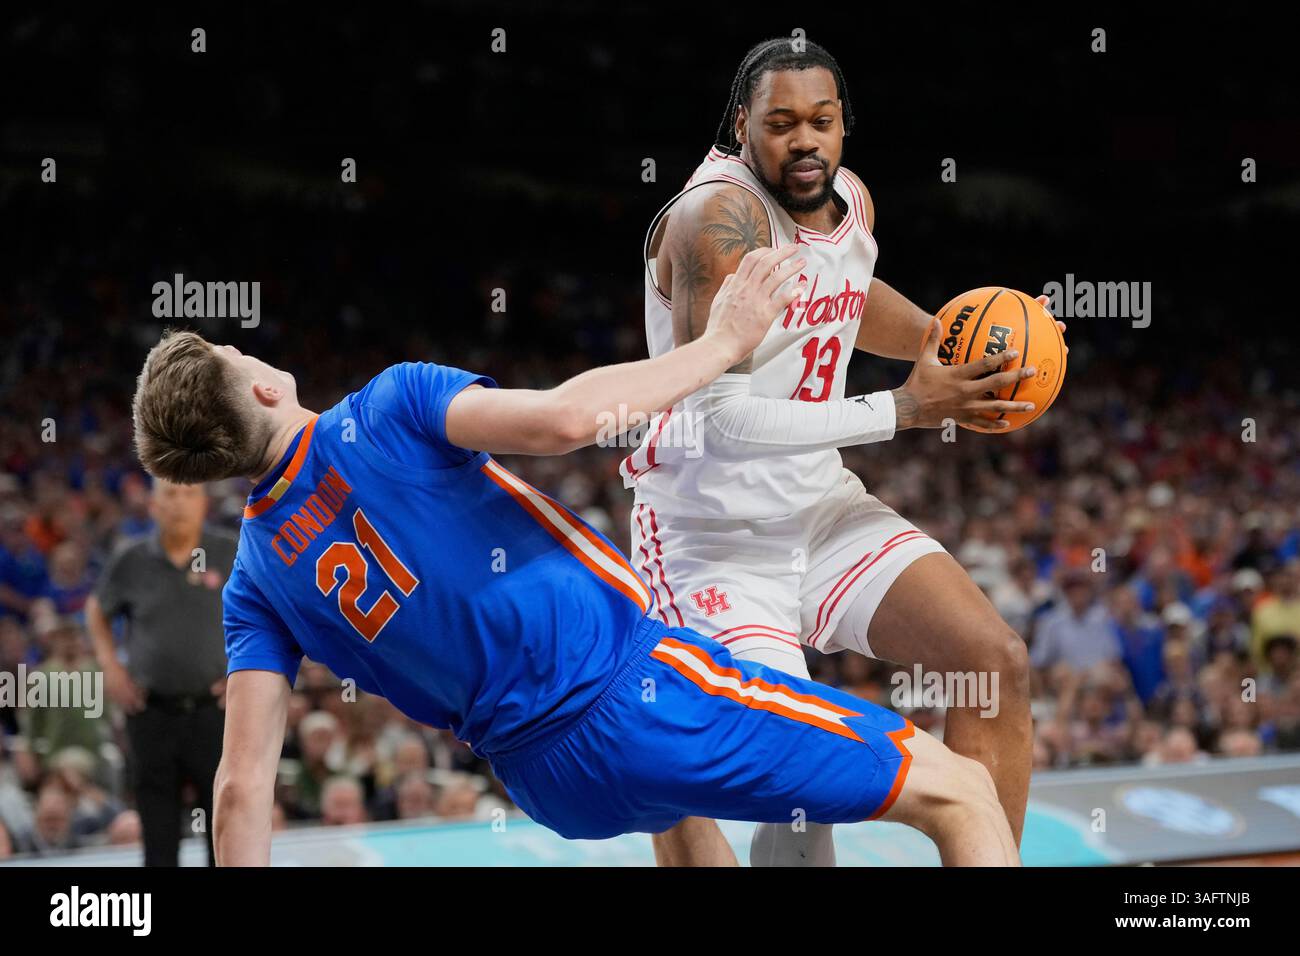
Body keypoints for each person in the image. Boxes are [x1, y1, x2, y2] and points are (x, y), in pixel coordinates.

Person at [131, 246, 1019, 866]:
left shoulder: (253, 583)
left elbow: (242, 788)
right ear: (258, 383)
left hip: (543, 780)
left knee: (682, 822)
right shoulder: (385, 408)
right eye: (236, 347)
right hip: (629, 691)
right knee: (962, 794)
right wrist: (722, 344)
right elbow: (563, 420)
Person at [620, 36, 1066, 866]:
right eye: (781, 123)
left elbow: (849, 299)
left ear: (843, 124)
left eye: (821, 121)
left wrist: (961, 344)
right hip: (708, 539)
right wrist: (905, 406)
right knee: (795, 783)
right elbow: (723, 419)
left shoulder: (847, 198)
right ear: (740, 123)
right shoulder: (714, 221)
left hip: (820, 510)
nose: (804, 141)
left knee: (992, 658)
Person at [84, 479, 236, 865]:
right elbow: (97, 611)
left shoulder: (229, 551)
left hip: (214, 712)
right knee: (158, 832)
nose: (180, 503)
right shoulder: (131, 559)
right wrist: (110, 666)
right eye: (170, 494)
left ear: (204, 504)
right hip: (150, 713)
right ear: (152, 505)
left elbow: (266, 612)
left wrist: (243, 671)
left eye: (189, 494)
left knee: (222, 825)